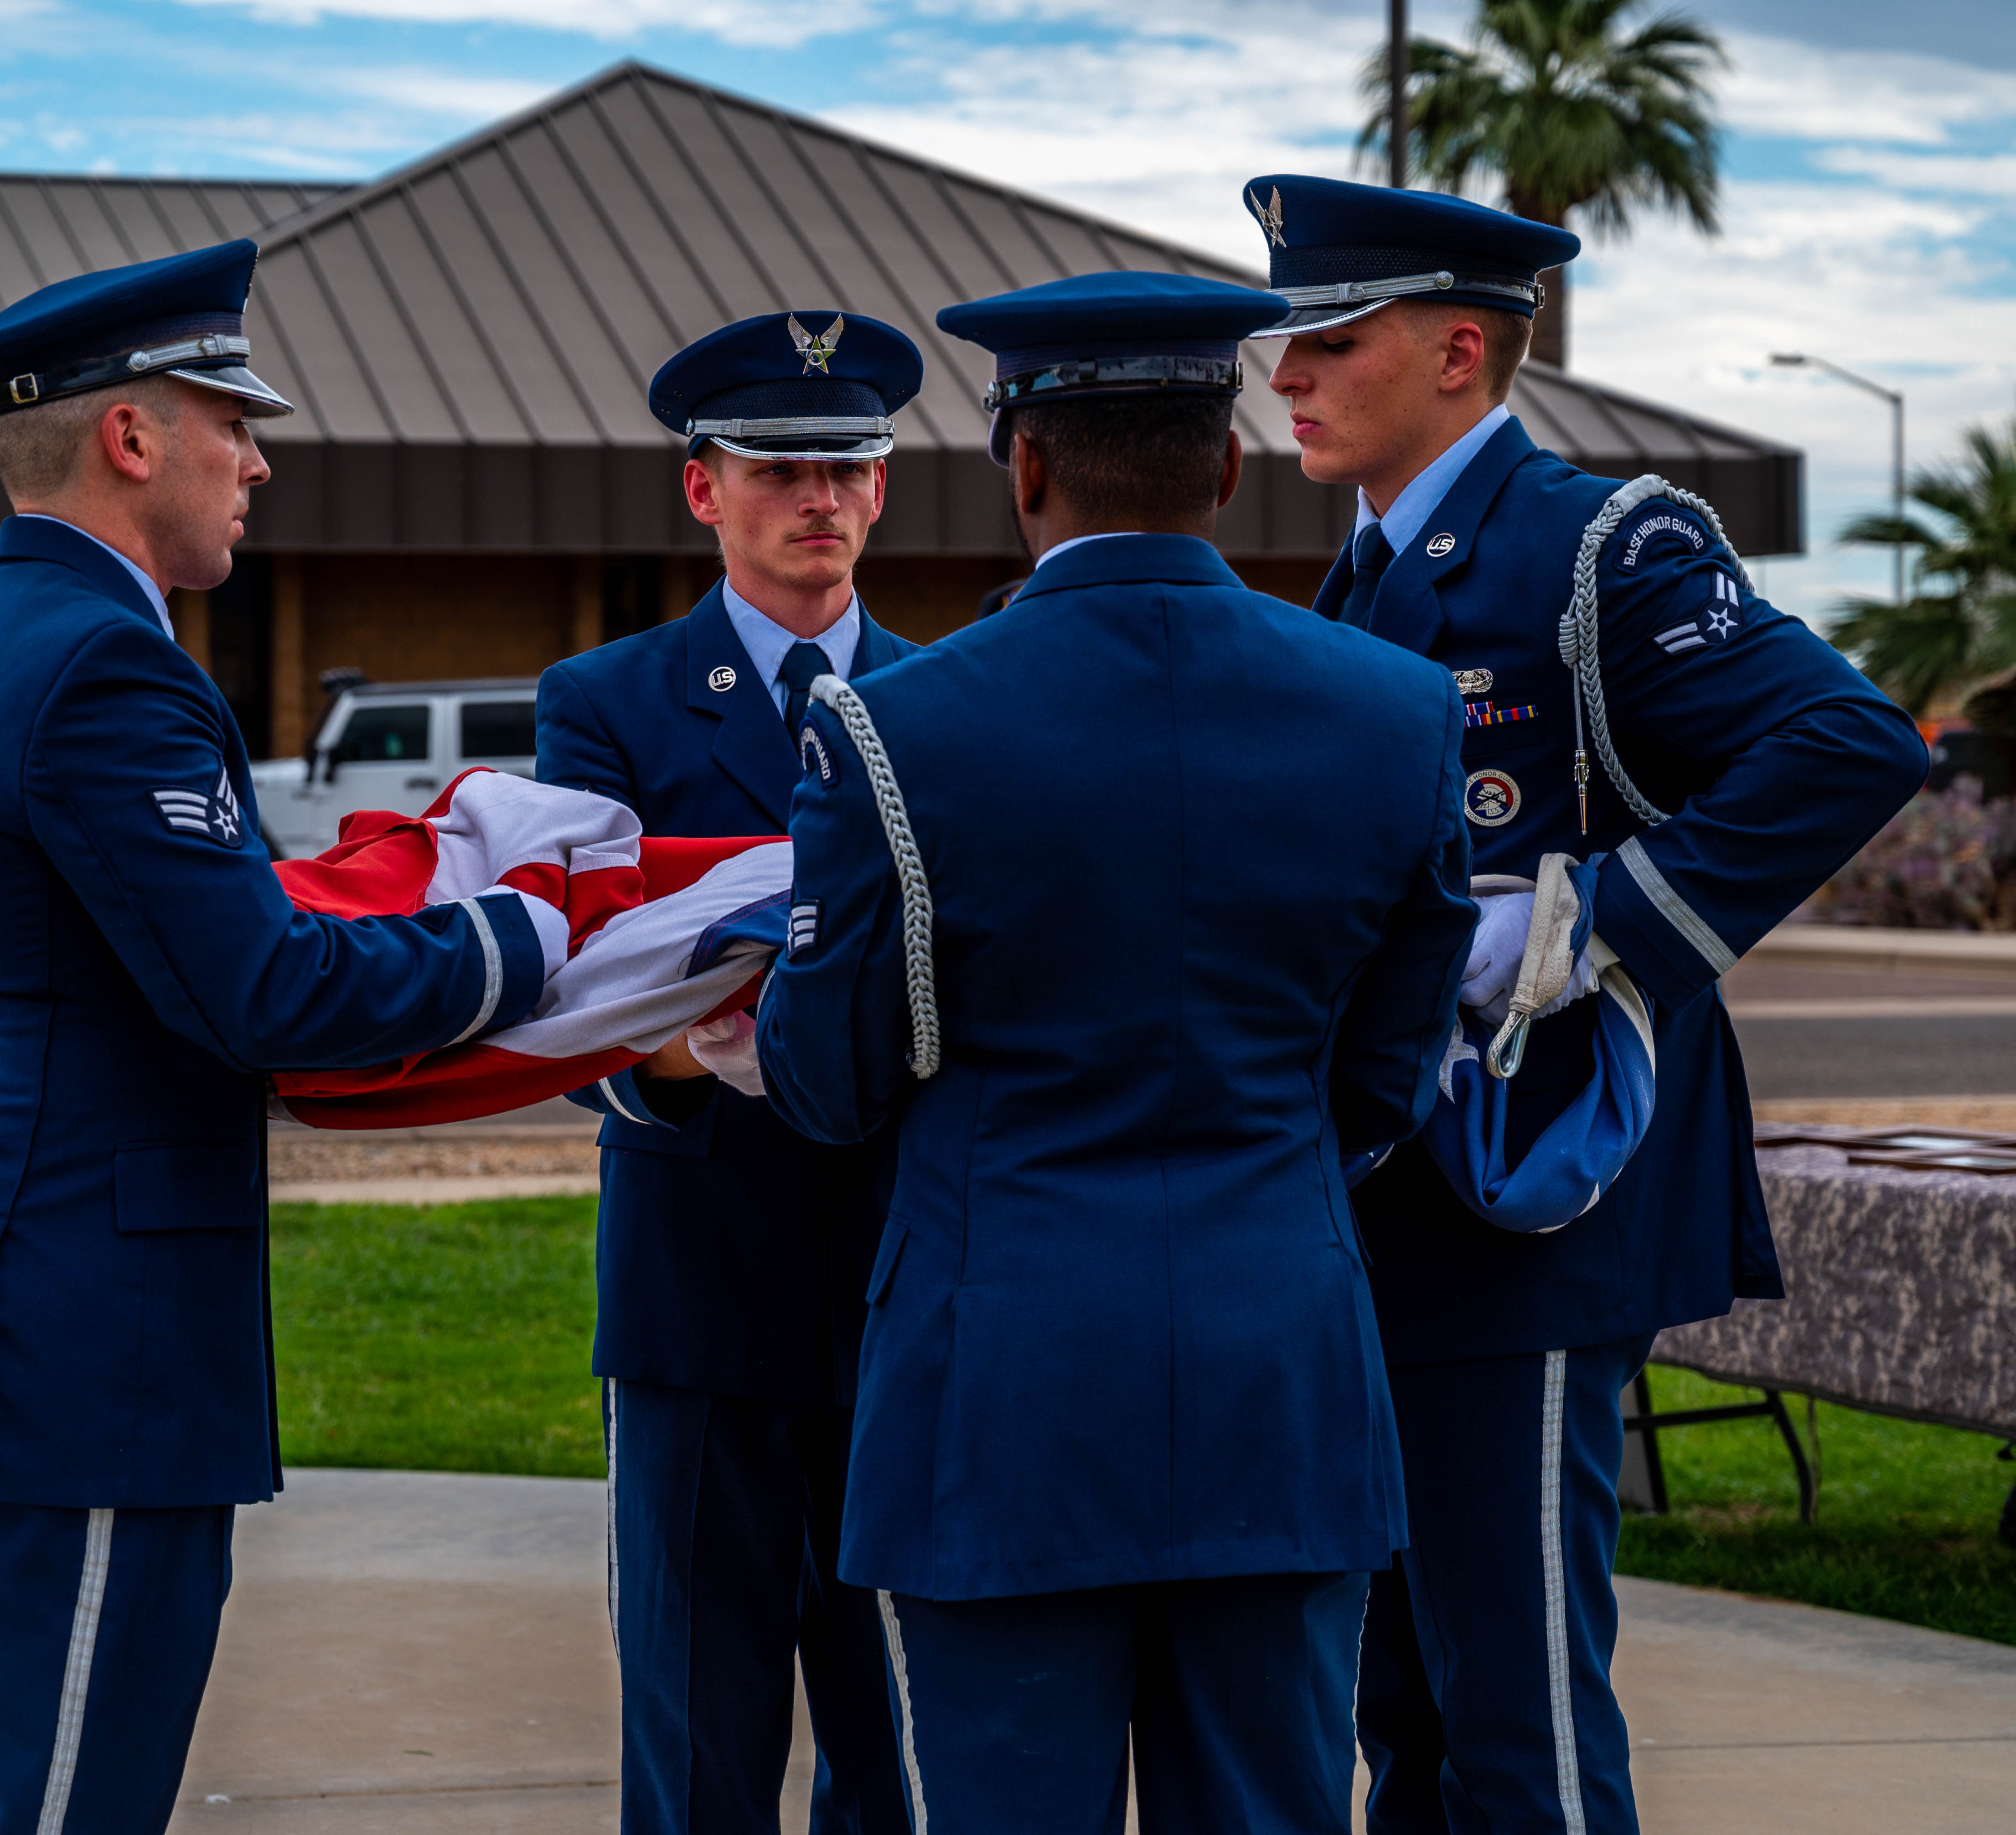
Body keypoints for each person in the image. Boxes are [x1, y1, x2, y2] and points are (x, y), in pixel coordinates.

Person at [0, 240, 568, 1835]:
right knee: (69, 1798)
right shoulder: (107, 671)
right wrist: (527, 935)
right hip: (79, 1335)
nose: (259, 458)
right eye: (232, 418)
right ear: (132, 439)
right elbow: (267, 996)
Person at [1248, 172, 1931, 1835]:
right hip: (1400, 1191)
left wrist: (1589, 920)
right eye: (1292, 341)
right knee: (1400, 1700)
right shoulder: (1355, 578)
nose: (1292, 374)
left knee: (1520, 1714)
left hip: (1544, 1197)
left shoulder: (1598, 544)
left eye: (1336, 338)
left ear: (1462, 351)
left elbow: (1853, 747)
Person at [756, 270, 1481, 1834]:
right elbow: (1385, 1078)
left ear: (1021, 463)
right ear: (1225, 467)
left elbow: (828, 1086)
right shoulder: (1401, 712)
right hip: (1277, 1362)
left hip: (996, 1383)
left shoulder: (894, 727)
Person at [533, 310, 918, 1835]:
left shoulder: (947, 700)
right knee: (698, 1739)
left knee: (902, 1744)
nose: (817, 498)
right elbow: (564, 980)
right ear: (705, 490)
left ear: (883, 490)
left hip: (902, 1275)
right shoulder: (608, 705)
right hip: (701, 1279)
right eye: (778, 468)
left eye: (849, 465)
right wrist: (670, 1063)